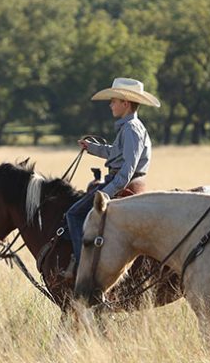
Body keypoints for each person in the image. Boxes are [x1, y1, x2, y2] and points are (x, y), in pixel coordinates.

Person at [62, 77, 160, 274]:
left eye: (114, 101)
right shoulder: (129, 127)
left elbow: (126, 171)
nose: (110, 105)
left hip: (120, 184)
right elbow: (114, 153)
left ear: (125, 103)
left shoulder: (131, 129)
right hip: (119, 182)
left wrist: (105, 194)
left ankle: (84, 268)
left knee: (73, 214)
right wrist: (91, 147)